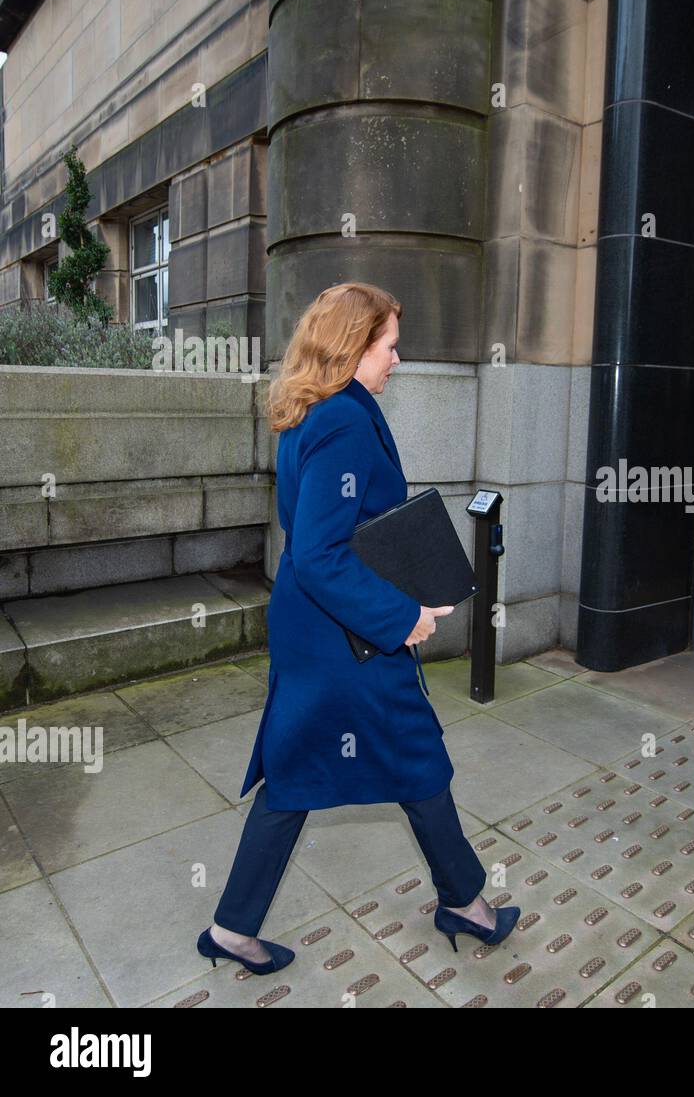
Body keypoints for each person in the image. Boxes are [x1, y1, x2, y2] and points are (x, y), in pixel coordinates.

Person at [196, 282, 519, 975]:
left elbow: (317, 539)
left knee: (305, 771)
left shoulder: (308, 410)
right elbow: (317, 551)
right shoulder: (342, 419)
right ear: (353, 345)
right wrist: (400, 615)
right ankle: (464, 901)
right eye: (390, 345)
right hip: (346, 639)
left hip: (318, 631)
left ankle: (233, 927)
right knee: (412, 755)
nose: (397, 359)